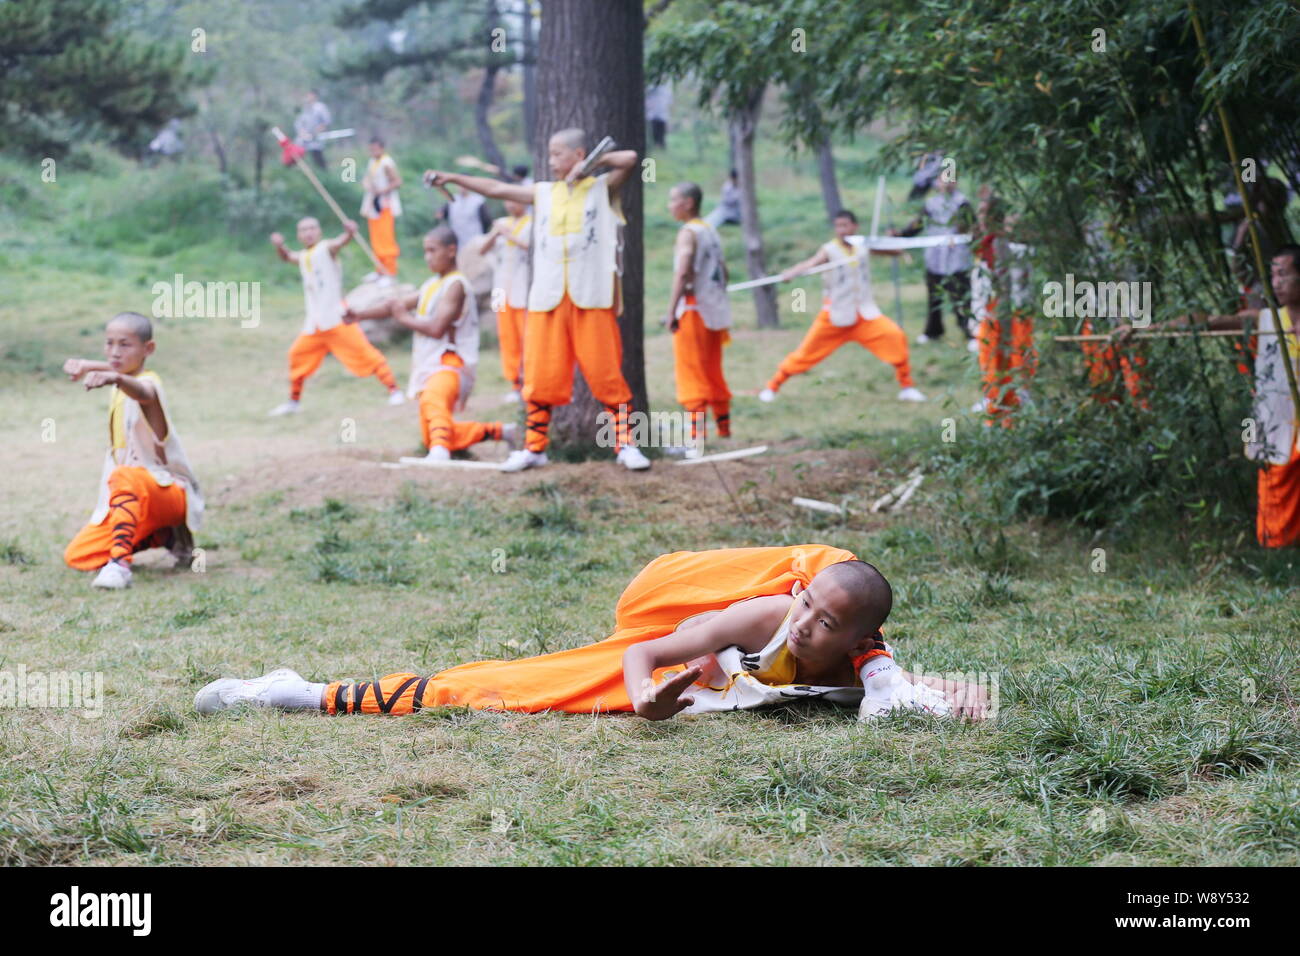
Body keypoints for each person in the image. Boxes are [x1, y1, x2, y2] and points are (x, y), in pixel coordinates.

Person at [194, 544, 990, 721]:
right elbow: (649, 652)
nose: (808, 626)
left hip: (718, 668)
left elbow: (923, 690)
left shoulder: (863, 668)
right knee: (503, 682)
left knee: (504, 696)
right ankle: (298, 692)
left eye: (826, 625)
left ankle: (302, 692)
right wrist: (648, 693)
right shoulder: (771, 611)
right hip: (672, 617)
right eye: (807, 608)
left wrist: (948, 695)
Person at [424, 128, 651, 473]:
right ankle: (534, 448)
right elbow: (497, 188)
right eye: (549, 154)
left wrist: (595, 163)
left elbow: (631, 160)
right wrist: (455, 177)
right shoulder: (543, 193)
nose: (551, 161)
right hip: (547, 299)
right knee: (541, 378)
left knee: (606, 375)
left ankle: (626, 446)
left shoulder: (601, 189)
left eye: (558, 153)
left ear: (578, 155)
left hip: (590, 297)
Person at [1114, 245, 1300, 548]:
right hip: (1278, 427)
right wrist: (1150, 329)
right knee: (1277, 493)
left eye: (1284, 275)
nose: (1276, 283)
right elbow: (1208, 320)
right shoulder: (1267, 320)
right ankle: (1279, 553)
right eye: (1273, 275)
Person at [344, 227, 516, 460]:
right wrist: (360, 315)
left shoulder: (456, 284)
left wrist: (404, 318)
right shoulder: (431, 284)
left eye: (432, 250)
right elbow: (394, 305)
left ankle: (440, 452)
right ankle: (502, 432)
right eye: (425, 251)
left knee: (434, 401)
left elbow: (437, 329)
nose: (428, 257)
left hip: (450, 363)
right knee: (432, 433)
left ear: (451, 250)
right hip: (428, 363)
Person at [62, 313, 202, 590]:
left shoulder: (147, 384)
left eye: (124, 345)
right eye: (109, 343)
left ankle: (119, 565)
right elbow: (121, 370)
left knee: (124, 475)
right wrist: (90, 366)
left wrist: (113, 376)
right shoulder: (122, 377)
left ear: (148, 349)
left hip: (169, 491)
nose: (114, 352)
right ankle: (166, 537)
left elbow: (144, 393)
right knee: (79, 555)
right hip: (138, 498)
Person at [760, 209, 927, 404]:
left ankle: (907, 387)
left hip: (865, 314)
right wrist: (791, 273)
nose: (842, 230)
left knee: (895, 338)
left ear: (855, 226)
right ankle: (772, 387)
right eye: (838, 226)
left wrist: (891, 239)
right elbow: (811, 263)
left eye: (845, 225)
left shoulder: (863, 245)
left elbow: (895, 251)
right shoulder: (830, 249)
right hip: (835, 316)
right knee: (804, 354)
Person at [267, 217, 403, 417]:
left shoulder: (326, 248)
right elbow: (287, 257)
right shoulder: (304, 256)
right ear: (299, 235)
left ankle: (394, 390)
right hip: (315, 324)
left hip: (337, 319)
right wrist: (280, 246)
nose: (309, 232)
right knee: (297, 356)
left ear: (319, 231)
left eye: (312, 228)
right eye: (304, 230)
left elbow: (338, 243)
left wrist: (349, 233)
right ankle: (293, 402)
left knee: (367, 354)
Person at [664, 182, 731, 456]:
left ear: (688, 203)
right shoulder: (710, 229)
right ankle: (724, 430)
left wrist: (671, 311)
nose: (669, 206)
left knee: (691, 373)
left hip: (693, 309)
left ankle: (696, 441)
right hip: (715, 310)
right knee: (713, 371)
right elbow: (724, 271)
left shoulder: (688, 233)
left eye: (673, 200)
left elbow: (683, 272)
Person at [970, 193, 1036, 424]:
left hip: (1013, 311)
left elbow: (1017, 281)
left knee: (1016, 353)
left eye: (982, 212)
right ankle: (995, 399)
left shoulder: (1010, 246)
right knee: (989, 357)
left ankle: (1018, 397)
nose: (979, 217)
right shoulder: (986, 243)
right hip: (991, 311)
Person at [898, 176, 976, 348]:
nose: (947, 183)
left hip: (958, 257)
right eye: (943, 180)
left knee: (961, 296)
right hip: (934, 257)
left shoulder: (963, 203)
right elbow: (917, 225)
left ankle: (970, 332)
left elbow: (971, 227)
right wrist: (900, 235)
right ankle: (933, 331)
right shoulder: (931, 204)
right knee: (934, 297)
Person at [478, 197, 533, 403]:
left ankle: (529, 379)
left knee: (525, 336)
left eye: (514, 200)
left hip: (522, 288)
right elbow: (482, 250)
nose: (511, 204)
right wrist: (495, 234)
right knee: (507, 336)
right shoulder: (502, 223)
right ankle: (514, 383)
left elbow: (532, 248)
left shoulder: (532, 223)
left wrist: (508, 235)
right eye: (507, 201)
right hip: (501, 288)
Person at [360, 136, 403, 279]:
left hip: (384, 204)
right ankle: (379, 269)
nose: (373, 151)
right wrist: (367, 185)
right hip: (373, 204)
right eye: (371, 149)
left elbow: (397, 181)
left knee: (386, 238)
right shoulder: (372, 162)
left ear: (382, 148)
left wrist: (381, 191)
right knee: (376, 238)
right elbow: (367, 178)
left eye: (375, 149)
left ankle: (390, 271)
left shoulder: (387, 163)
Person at [293, 91, 332, 171]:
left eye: (311, 95)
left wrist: (316, 132)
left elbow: (326, 122)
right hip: (303, 139)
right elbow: (298, 123)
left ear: (315, 96)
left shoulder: (320, 107)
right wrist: (302, 133)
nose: (309, 97)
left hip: (315, 139)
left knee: (317, 158)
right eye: (307, 96)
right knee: (298, 157)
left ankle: (323, 174)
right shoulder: (305, 108)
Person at [646, 83, 672, 151]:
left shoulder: (666, 90)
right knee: (654, 134)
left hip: (662, 116)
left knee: (661, 134)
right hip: (652, 116)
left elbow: (669, 104)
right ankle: (655, 148)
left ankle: (661, 148)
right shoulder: (650, 89)